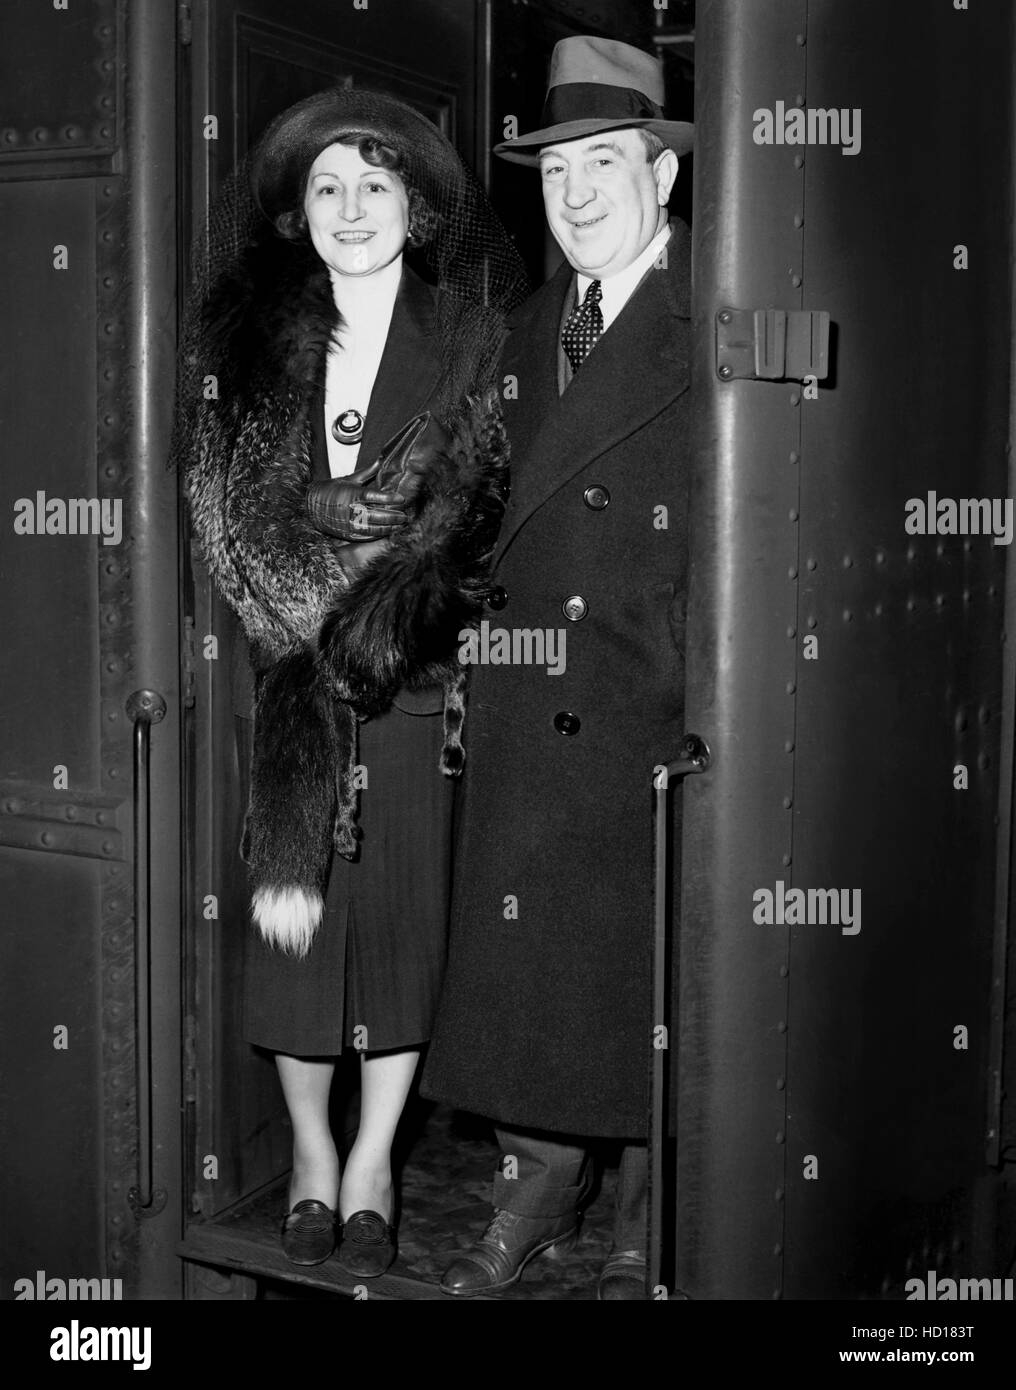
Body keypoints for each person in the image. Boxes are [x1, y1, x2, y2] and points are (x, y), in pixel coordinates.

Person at [175, 88, 527, 1278]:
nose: (350, 208)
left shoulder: (474, 333)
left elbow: (484, 500)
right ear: (299, 214)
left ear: (416, 205)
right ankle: (314, 1157)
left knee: (401, 929)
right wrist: (310, 508)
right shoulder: (243, 336)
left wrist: (402, 574)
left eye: (375, 184)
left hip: (412, 676)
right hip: (289, 683)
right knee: (296, 935)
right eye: (327, 187)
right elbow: (217, 506)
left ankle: (375, 1158)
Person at [420, 36, 695, 1300]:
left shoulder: (718, 315)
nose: (575, 192)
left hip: (651, 709)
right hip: (534, 702)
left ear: (662, 176)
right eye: (553, 170)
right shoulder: (526, 328)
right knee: (536, 974)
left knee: (644, 976)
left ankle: (652, 1191)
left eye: (602, 161)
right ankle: (535, 1185)